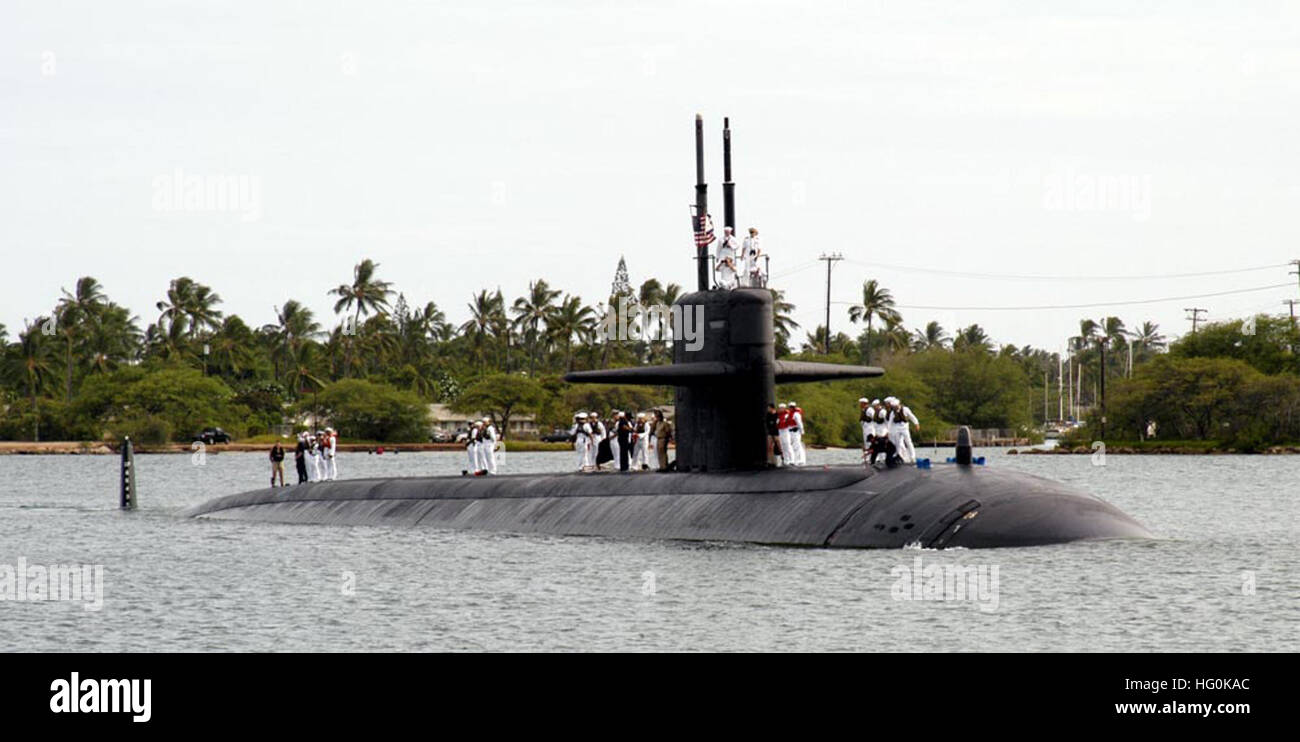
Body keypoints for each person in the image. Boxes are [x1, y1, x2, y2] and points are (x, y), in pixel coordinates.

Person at [888, 398, 920, 464]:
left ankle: (912, 457)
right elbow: (890, 423)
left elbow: (912, 416)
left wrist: (916, 423)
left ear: (898, 405)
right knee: (898, 443)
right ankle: (900, 457)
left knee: (908, 441)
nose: (894, 408)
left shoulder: (905, 409)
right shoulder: (892, 413)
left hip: (904, 427)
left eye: (895, 406)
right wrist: (888, 432)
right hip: (897, 428)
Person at [787, 401, 807, 466]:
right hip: (790, 432)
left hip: (796, 431)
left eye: (792, 407)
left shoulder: (796, 414)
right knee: (792, 446)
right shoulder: (789, 414)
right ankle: (793, 460)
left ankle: (802, 460)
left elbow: (799, 423)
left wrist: (802, 431)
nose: (791, 408)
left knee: (798, 445)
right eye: (790, 407)